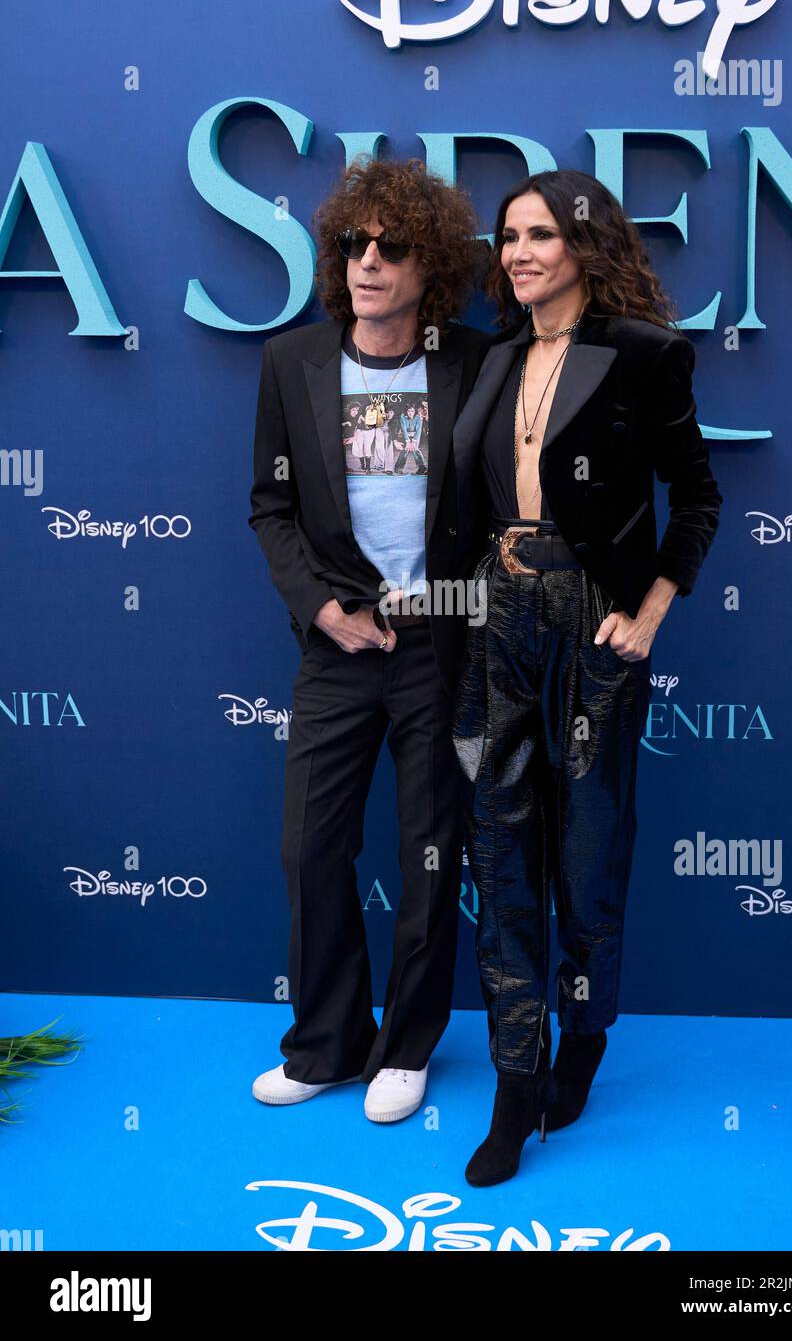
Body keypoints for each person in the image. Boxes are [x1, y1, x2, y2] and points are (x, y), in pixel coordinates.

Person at [450, 169, 723, 1185]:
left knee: (588, 852)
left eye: (537, 236)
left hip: (592, 627)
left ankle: (582, 1038)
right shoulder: (493, 358)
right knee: (497, 850)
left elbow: (695, 497)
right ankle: (512, 1080)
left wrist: (645, 613)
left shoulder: (643, 354)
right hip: (499, 624)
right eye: (507, 237)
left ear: (582, 244)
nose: (516, 253)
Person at [248, 156, 492, 1124]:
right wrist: (321, 607)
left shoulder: (470, 361)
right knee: (309, 848)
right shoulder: (291, 363)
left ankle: (407, 1046)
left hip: (441, 648)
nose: (369, 262)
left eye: (392, 247)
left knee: (432, 851)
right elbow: (270, 506)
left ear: (427, 264)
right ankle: (327, 1045)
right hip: (337, 648)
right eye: (355, 243)